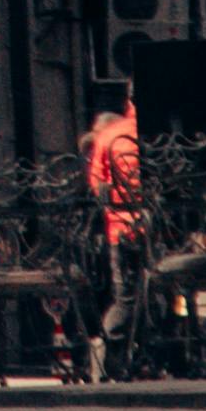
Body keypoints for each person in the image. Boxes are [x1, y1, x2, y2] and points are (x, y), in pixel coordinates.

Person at [80, 83, 148, 381]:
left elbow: (97, 183)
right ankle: (115, 354)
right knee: (136, 295)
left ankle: (111, 356)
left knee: (127, 295)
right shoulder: (128, 132)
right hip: (150, 227)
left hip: (123, 226)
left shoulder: (111, 134)